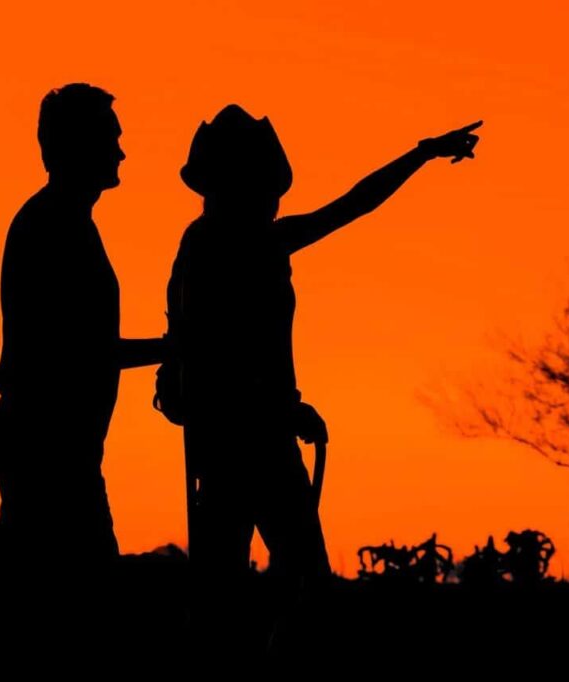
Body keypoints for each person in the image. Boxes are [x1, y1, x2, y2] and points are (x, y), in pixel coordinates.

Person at [165, 104, 480, 649]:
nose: (274, 200)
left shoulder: (242, 243)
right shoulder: (218, 248)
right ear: (240, 186)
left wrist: (422, 153)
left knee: (263, 587)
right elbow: (217, 352)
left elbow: (351, 207)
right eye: (265, 187)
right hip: (240, 441)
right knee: (269, 589)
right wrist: (283, 408)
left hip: (258, 436)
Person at [0, 83, 166, 562]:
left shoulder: (67, 223)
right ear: (79, 145)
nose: (122, 153)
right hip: (50, 451)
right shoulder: (53, 228)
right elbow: (84, 352)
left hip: (61, 448)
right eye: (111, 139)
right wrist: (176, 348)